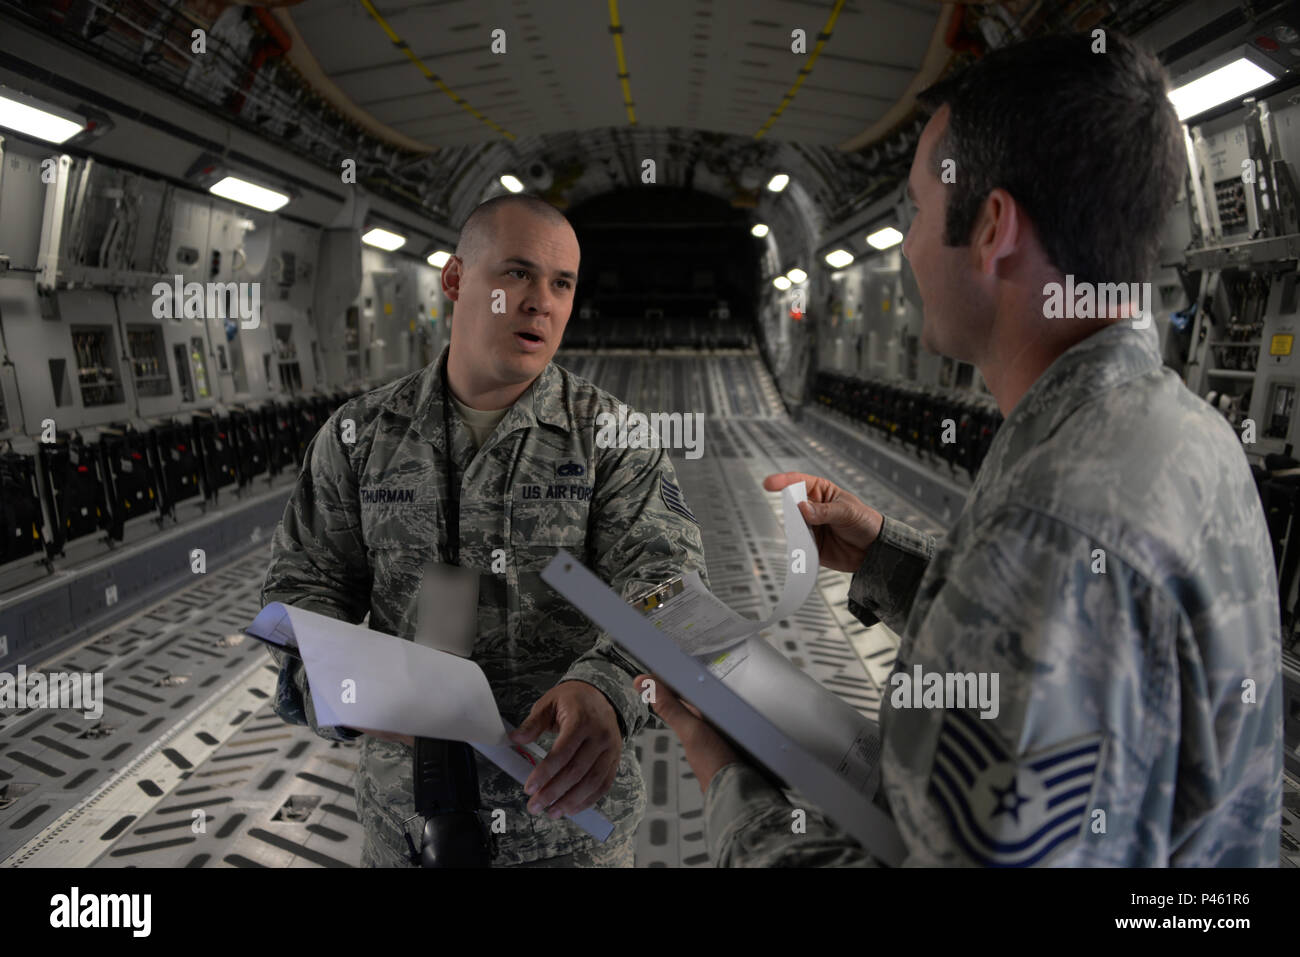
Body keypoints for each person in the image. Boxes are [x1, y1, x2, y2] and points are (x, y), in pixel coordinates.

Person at [641, 33, 1283, 866]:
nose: (907, 245)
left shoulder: (1051, 524)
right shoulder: (1182, 431)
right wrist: (891, 561)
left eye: (915, 211)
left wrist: (724, 772)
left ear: (991, 227)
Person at [261, 194, 708, 867]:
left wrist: (608, 687)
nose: (542, 301)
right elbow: (302, 588)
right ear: (455, 279)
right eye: (517, 274)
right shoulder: (360, 437)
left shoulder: (613, 439)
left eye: (562, 283)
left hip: (566, 836)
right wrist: (343, 681)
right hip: (404, 827)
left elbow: (671, 591)